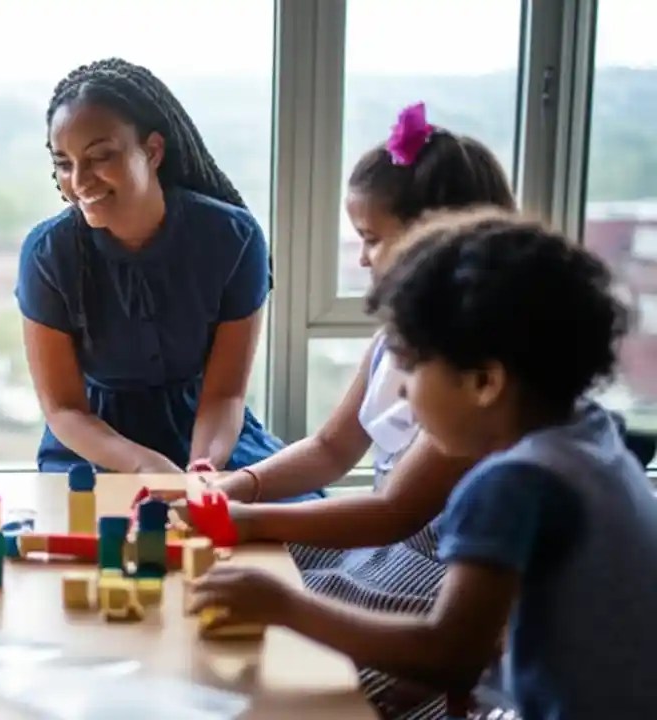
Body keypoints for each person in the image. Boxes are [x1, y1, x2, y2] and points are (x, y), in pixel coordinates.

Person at [192, 210, 657, 720]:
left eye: (412, 368)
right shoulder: (591, 436)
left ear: (486, 383)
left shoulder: (512, 484)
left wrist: (284, 605)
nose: (406, 391)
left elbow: (450, 654)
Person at [195, 103, 516, 717]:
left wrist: (246, 519)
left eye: (373, 239)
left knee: (296, 663)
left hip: (433, 574)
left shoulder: (473, 379)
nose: (364, 260)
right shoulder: (392, 343)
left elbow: (397, 512)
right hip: (384, 551)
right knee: (258, 582)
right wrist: (245, 485)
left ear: (435, 239)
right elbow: (331, 449)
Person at [17, 57, 307, 487]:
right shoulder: (47, 253)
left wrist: (203, 470)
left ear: (152, 150)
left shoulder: (234, 237)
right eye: (63, 163)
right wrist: (143, 466)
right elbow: (64, 410)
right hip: (98, 448)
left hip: (210, 437)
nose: (78, 181)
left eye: (100, 156)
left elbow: (224, 395)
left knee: (282, 533)